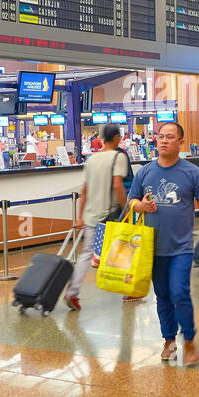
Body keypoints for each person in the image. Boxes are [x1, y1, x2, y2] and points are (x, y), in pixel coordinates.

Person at [129, 122, 199, 367]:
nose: (163, 140)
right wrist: (140, 206)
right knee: (163, 296)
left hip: (181, 247)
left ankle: (189, 339)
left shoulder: (191, 172)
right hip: (153, 248)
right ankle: (169, 340)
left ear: (181, 143)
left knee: (180, 292)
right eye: (160, 136)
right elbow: (131, 201)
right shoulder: (145, 172)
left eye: (170, 137)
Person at [65, 124, 130, 311]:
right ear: (116, 137)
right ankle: (128, 289)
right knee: (124, 249)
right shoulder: (118, 156)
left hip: (92, 215)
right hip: (110, 215)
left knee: (86, 253)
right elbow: (118, 185)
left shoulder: (91, 159)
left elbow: (84, 191)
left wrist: (80, 217)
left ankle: (72, 292)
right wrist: (126, 208)